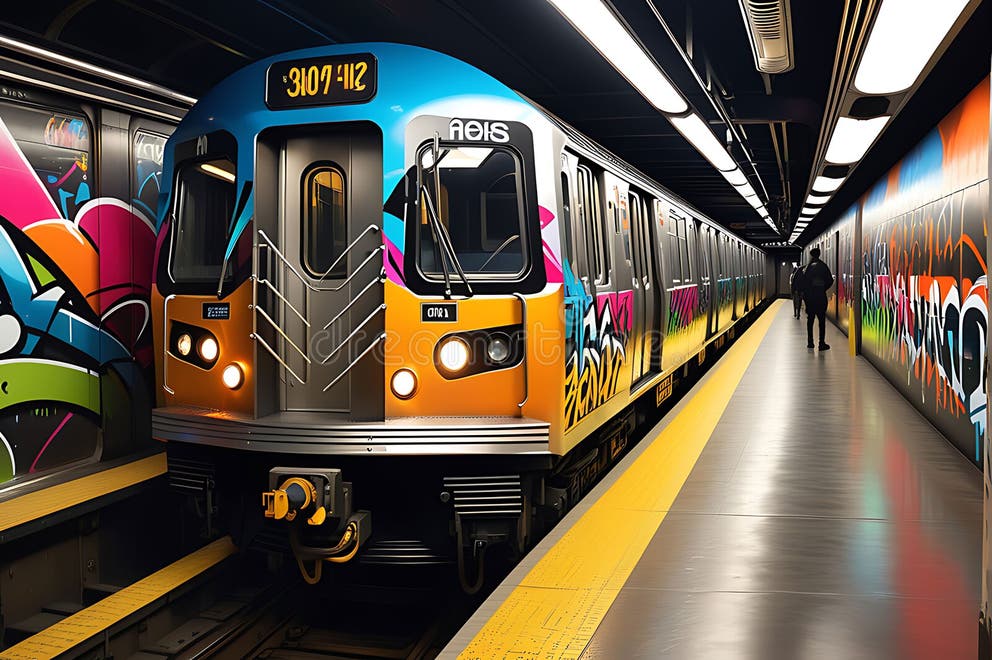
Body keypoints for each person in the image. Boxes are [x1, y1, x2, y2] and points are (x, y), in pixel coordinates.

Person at [800, 247, 834, 350]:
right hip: (820, 297)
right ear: (819, 254)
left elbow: (803, 284)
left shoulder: (807, 268)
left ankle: (810, 343)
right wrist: (822, 288)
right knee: (821, 321)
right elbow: (830, 280)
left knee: (810, 320)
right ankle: (821, 343)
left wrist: (806, 294)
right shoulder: (823, 266)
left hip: (810, 298)